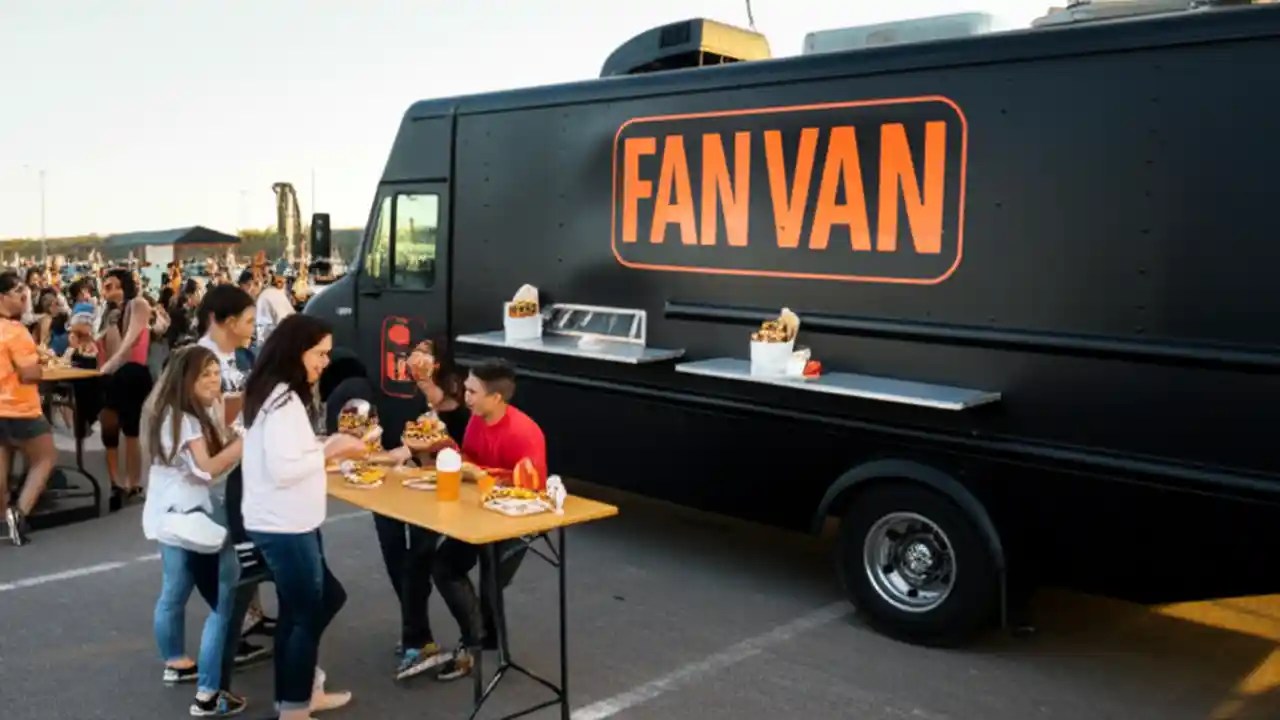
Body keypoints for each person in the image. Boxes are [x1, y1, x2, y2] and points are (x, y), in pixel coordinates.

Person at [240, 314, 364, 720]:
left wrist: (324, 445)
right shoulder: (282, 400)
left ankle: (298, 691)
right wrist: (333, 449)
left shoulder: (277, 394)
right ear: (297, 351)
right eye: (320, 353)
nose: (325, 362)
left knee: (313, 604)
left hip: (292, 520)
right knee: (307, 611)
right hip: (284, 524)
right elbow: (284, 467)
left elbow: (289, 455)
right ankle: (295, 706)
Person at [139, 345, 248, 717]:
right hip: (194, 516)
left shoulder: (162, 412)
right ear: (186, 379)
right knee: (223, 602)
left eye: (216, 372)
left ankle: (176, 662)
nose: (214, 379)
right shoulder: (185, 418)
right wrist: (243, 445)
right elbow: (207, 469)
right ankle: (209, 694)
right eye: (205, 374)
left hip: (166, 515)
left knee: (174, 591)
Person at [431, 359, 546, 681]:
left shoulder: (525, 432)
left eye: (471, 391)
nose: (464, 396)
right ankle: (479, 640)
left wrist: (478, 475)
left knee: (492, 580)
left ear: (496, 398)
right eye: (465, 389)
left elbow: (530, 488)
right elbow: (470, 461)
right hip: (483, 512)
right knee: (444, 565)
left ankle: (476, 644)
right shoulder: (476, 420)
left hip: (519, 517)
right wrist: (445, 450)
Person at [194, 285, 273, 667]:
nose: (253, 327)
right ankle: (226, 637)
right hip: (214, 473)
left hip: (237, 465)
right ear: (224, 321)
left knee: (243, 546)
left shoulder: (232, 357)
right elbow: (210, 421)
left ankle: (249, 617)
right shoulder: (202, 359)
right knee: (226, 554)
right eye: (246, 320)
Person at [0, 272, 57, 546]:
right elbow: (29, 374)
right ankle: (19, 514)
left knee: (2, 464)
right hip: (20, 407)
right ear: (3, 298)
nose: (24, 297)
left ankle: (2, 518)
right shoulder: (16, 332)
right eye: (18, 292)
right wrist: (41, 367)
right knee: (44, 459)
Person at [97, 267, 154, 504]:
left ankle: (133, 483)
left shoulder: (137, 305)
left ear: (123, 287)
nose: (106, 291)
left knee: (131, 430)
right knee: (109, 429)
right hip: (110, 375)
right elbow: (100, 344)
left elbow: (129, 341)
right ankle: (116, 483)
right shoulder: (108, 313)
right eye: (105, 286)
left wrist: (110, 363)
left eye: (111, 286)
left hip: (131, 372)